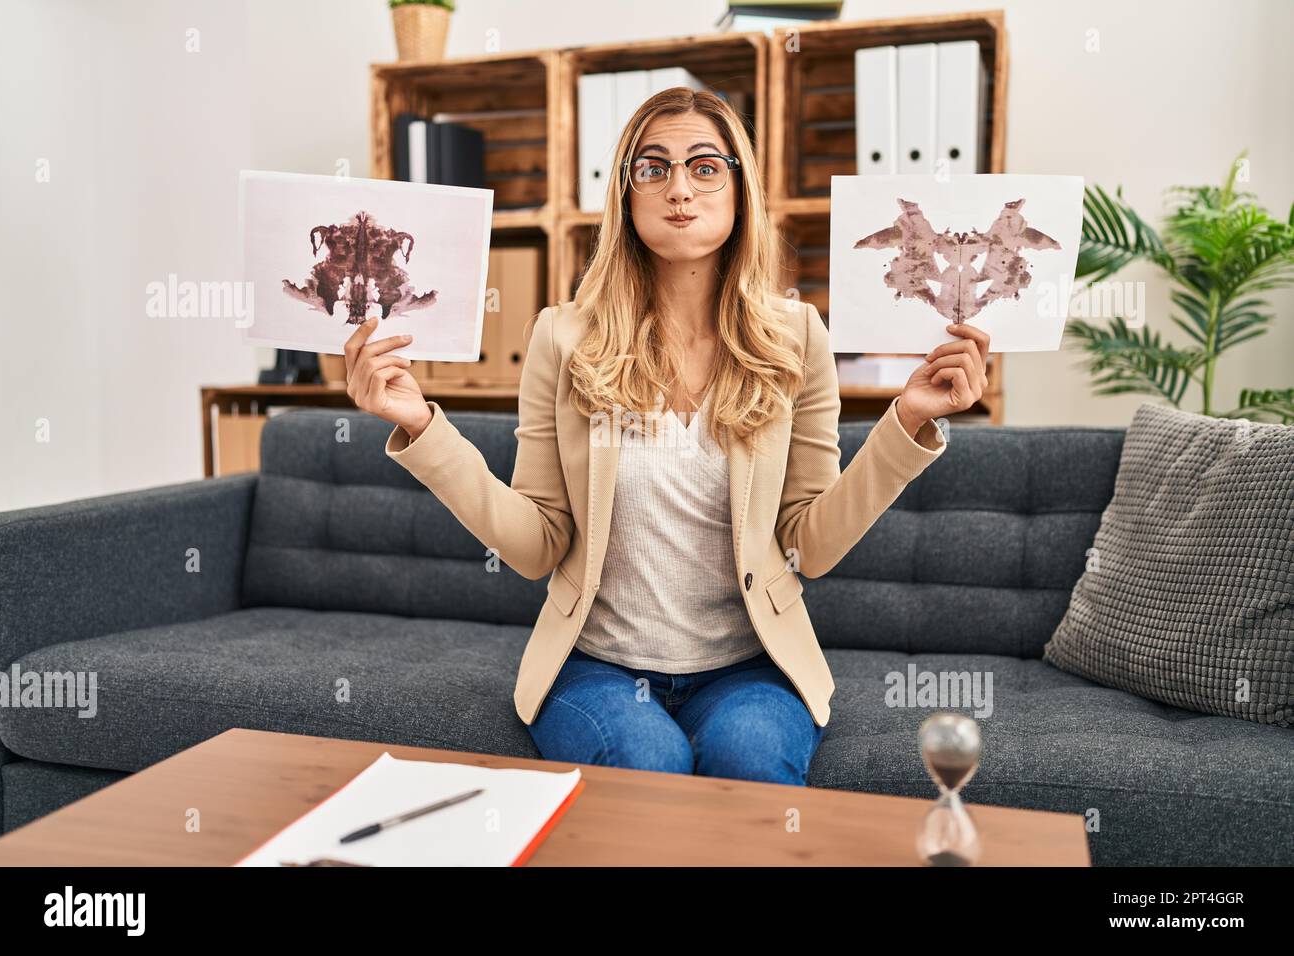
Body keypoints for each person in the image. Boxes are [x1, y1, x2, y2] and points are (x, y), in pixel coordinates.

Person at [344, 87, 988, 785]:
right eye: (653, 168)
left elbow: (809, 543)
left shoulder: (796, 337)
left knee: (749, 758)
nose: (679, 188)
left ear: (739, 190)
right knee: (648, 763)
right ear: (626, 194)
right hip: (598, 668)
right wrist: (423, 428)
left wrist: (908, 423)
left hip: (749, 669)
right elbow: (537, 547)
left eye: (705, 167)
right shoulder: (562, 338)